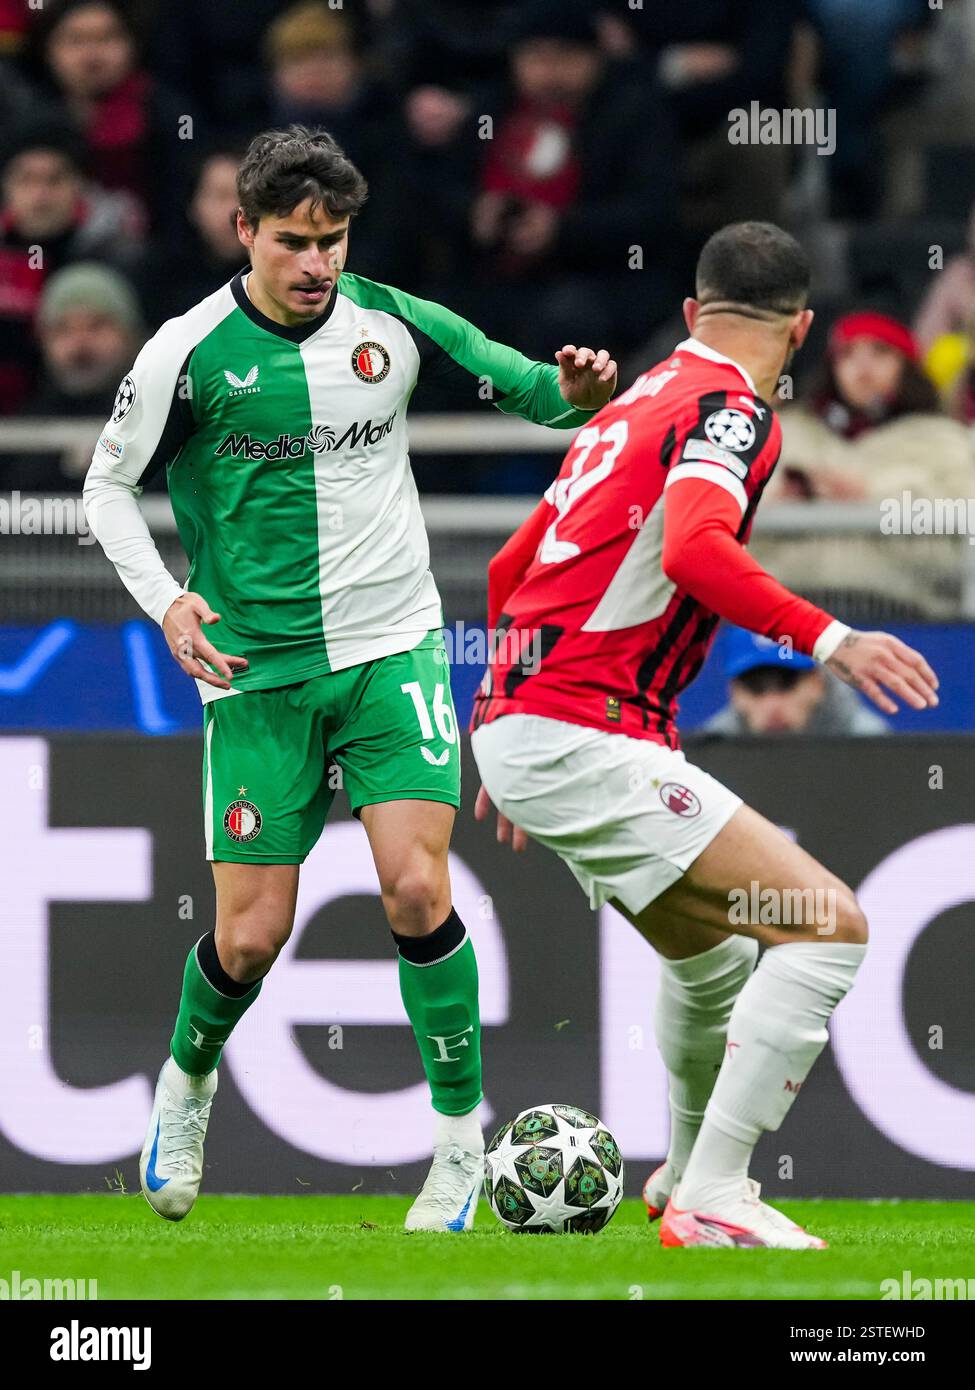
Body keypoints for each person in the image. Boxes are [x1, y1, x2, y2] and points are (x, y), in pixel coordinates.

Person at [83, 124, 617, 1233]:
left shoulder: (392, 321)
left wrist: (576, 387)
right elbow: (102, 491)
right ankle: (186, 1083)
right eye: (293, 241)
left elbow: (532, 391)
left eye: (332, 239)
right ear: (244, 232)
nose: (317, 262)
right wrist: (168, 599)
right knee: (249, 937)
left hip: (393, 648)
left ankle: (461, 1148)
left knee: (417, 889)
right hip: (257, 672)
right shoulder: (185, 352)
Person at [470, 222, 938, 1249]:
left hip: (537, 717)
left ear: (692, 313)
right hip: (579, 723)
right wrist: (832, 635)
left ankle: (683, 1170)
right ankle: (717, 1191)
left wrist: (495, 721)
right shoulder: (733, 409)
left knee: (712, 959)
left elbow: (511, 568)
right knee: (829, 924)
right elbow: (693, 548)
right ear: (803, 329)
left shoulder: (634, 400)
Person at [760, 311, 975, 619]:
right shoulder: (785, 434)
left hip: (905, 617)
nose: (862, 367)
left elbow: (958, 557)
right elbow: (728, 543)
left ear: (907, 365)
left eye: (880, 352)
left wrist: (868, 501)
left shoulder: (946, 442)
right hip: (788, 616)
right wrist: (786, 505)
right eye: (848, 354)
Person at [12, 262, 144, 490]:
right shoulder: (24, 426)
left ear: (130, 334)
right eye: (63, 329)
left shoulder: (164, 420)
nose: (80, 344)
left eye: (97, 326)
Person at [700, 627, 889, 737]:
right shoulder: (711, 752)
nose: (772, 705)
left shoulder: (867, 740)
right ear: (734, 693)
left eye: (787, 684)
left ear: (817, 684)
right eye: (755, 688)